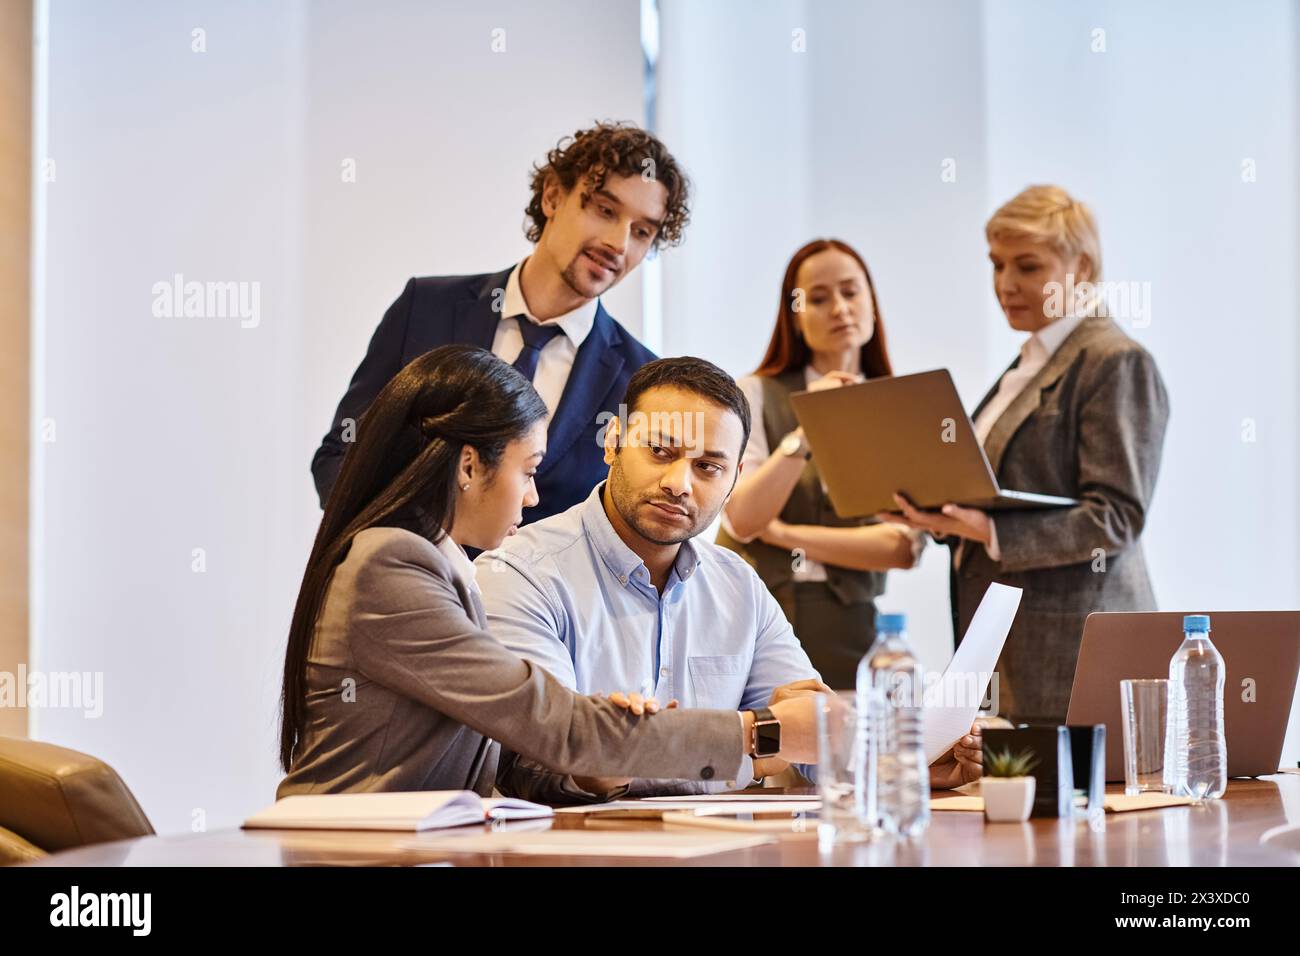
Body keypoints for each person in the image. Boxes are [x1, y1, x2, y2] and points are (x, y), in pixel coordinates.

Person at [278, 345, 828, 799]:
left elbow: (530, 747)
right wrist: (758, 739)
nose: (536, 494)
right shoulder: (397, 567)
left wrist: (605, 754)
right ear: (470, 466)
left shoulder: (431, 564)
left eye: (709, 466)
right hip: (354, 851)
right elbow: (555, 726)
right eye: (529, 470)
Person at [476, 356, 983, 801]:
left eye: (708, 467)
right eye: (660, 452)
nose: (678, 484)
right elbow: (538, 760)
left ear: (735, 477)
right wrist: (759, 737)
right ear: (613, 442)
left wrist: (913, 764)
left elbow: (811, 733)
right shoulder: (518, 573)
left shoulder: (738, 585)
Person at [887, 186, 1169, 724]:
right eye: (996, 265)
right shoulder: (1029, 364)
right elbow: (1006, 494)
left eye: (1027, 266)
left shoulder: (1115, 361)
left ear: (1081, 266)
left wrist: (991, 533)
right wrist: (936, 516)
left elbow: (1116, 517)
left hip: (1073, 650)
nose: (1005, 284)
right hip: (1012, 648)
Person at [310, 122, 689, 523]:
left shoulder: (643, 381)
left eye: (642, 231)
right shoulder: (426, 307)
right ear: (553, 197)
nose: (619, 242)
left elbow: (623, 530)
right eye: (605, 210)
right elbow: (341, 458)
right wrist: (417, 553)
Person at [717, 239, 923, 689]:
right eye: (819, 298)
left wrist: (786, 535)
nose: (839, 309)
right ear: (795, 314)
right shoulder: (753, 393)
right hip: (756, 614)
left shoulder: (899, 405)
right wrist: (807, 429)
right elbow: (745, 517)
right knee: (761, 751)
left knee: (847, 751)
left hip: (852, 624)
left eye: (851, 292)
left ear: (871, 301)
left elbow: (902, 546)